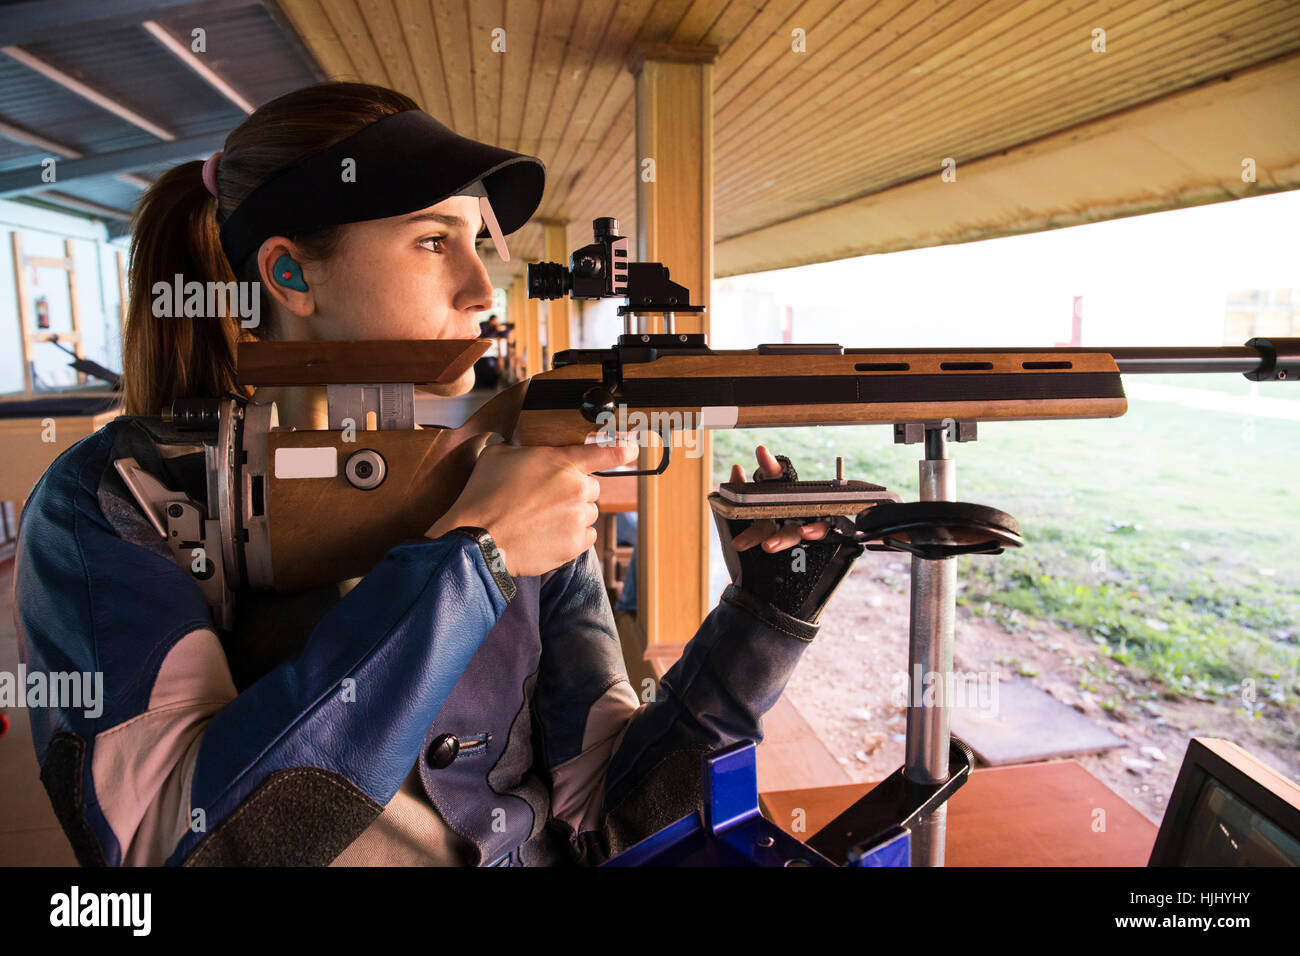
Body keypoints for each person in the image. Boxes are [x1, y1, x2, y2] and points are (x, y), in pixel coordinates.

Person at [13, 81, 862, 867]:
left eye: (476, 244)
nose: (478, 287)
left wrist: (762, 621)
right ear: (290, 273)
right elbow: (171, 844)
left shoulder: (504, 467)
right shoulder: (119, 498)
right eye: (431, 241)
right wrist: (476, 558)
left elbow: (611, 817)